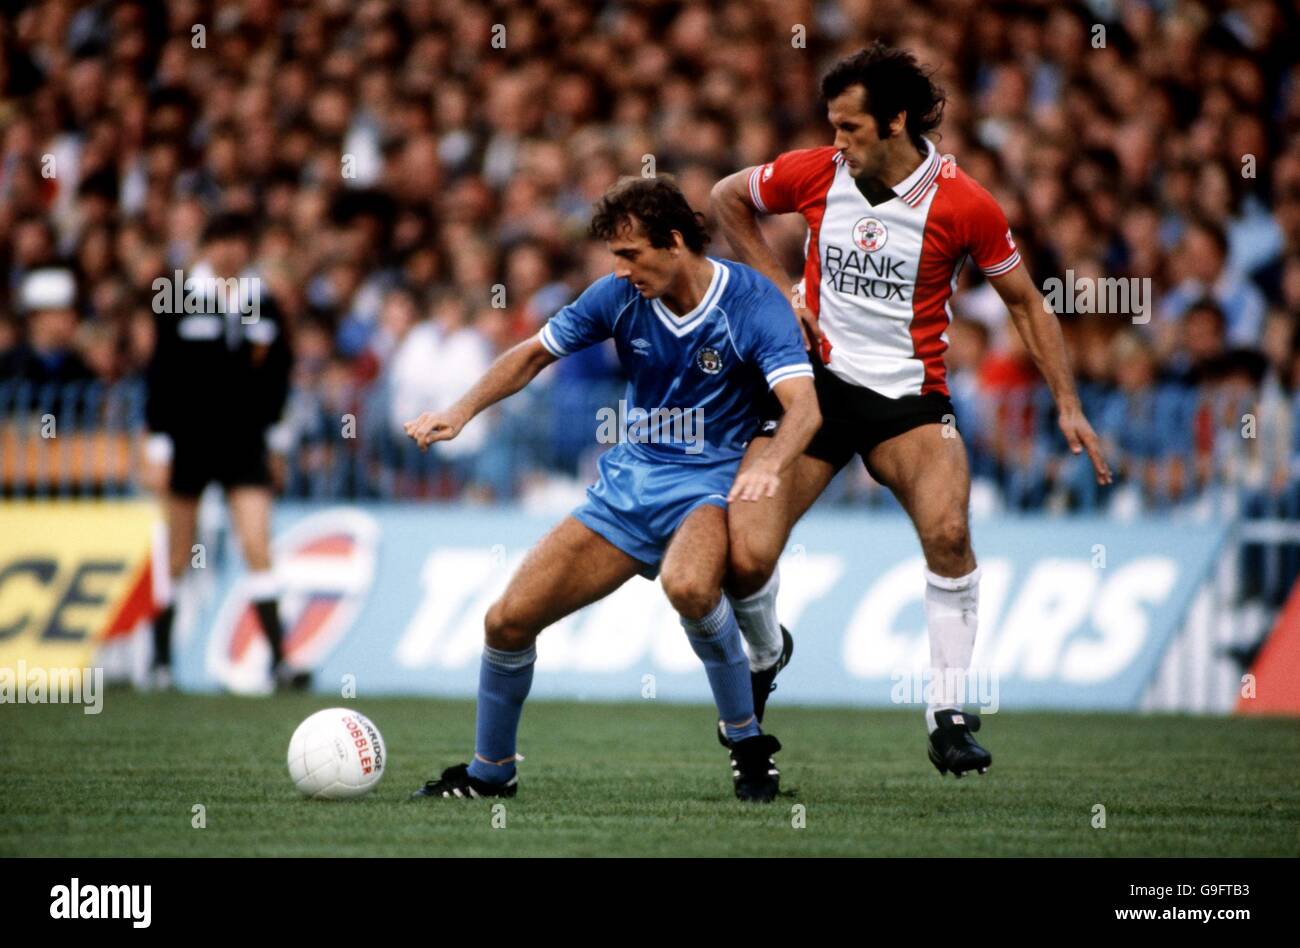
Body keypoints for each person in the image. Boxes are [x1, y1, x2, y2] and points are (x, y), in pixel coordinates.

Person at [710, 43, 1113, 777]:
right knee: (746, 555)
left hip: (910, 401)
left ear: (895, 122)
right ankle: (767, 653)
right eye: (832, 127)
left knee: (951, 532)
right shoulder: (816, 173)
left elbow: (1025, 300)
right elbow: (725, 197)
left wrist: (1067, 404)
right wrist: (780, 290)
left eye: (850, 129)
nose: (836, 143)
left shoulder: (964, 202)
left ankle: (949, 713)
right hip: (815, 390)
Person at [404, 177, 820, 802]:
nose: (621, 271)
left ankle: (747, 744)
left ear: (675, 242)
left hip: (708, 485)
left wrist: (771, 464)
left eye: (631, 255)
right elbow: (531, 355)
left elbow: (805, 407)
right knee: (507, 622)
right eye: (615, 257)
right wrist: (461, 412)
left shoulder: (751, 301)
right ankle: (491, 774)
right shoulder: (617, 298)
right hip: (627, 488)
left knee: (689, 586)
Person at [143, 213, 303, 692]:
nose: (231, 252)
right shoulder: (176, 296)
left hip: (245, 441)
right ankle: (161, 662)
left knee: (258, 544)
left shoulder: (264, 302)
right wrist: (157, 441)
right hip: (190, 440)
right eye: (222, 242)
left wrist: (276, 441)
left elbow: (280, 377)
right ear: (207, 246)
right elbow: (160, 373)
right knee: (177, 551)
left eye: (239, 242)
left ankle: (279, 661)